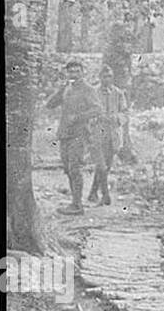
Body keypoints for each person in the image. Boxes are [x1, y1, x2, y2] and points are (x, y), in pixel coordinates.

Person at [47, 59, 102, 215]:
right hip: (65, 133)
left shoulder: (88, 89)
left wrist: (79, 117)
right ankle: (74, 202)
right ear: (67, 73)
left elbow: (98, 109)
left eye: (77, 71)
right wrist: (61, 89)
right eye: (71, 72)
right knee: (67, 168)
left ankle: (78, 205)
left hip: (79, 134)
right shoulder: (66, 88)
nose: (74, 75)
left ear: (82, 72)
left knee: (74, 167)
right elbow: (49, 105)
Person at [89, 65, 128, 206]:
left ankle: (93, 192)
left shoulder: (118, 93)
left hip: (113, 134)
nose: (107, 79)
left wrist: (117, 118)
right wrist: (94, 118)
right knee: (101, 165)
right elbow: (87, 110)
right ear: (100, 77)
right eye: (104, 76)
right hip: (97, 133)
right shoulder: (93, 92)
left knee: (107, 165)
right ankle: (105, 195)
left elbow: (125, 112)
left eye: (110, 76)